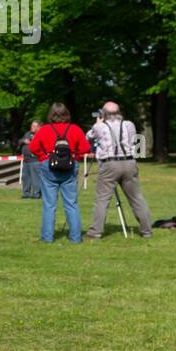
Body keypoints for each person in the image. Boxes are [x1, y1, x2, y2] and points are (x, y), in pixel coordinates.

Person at [85, 101, 153, 239]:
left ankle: (95, 231)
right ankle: (147, 231)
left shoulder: (99, 126)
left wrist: (98, 123)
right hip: (129, 162)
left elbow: (88, 137)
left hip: (109, 164)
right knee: (136, 198)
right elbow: (132, 139)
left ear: (103, 113)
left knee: (102, 199)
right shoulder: (129, 124)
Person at [28, 103, 92, 244]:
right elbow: (86, 148)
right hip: (70, 167)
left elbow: (32, 147)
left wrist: (43, 157)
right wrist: (74, 155)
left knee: (49, 205)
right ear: (66, 114)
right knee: (71, 203)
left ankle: (47, 237)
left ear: (51, 114)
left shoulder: (44, 129)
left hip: (48, 166)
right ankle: (75, 238)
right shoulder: (74, 129)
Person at [18, 120, 41, 199]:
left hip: (35, 160)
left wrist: (31, 142)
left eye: (34, 126)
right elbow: (20, 140)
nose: (32, 127)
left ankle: (36, 194)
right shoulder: (28, 134)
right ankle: (26, 193)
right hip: (26, 160)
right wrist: (23, 141)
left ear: (39, 127)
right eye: (32, 126)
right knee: (25, 178)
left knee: (35, 178)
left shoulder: (41, 134)